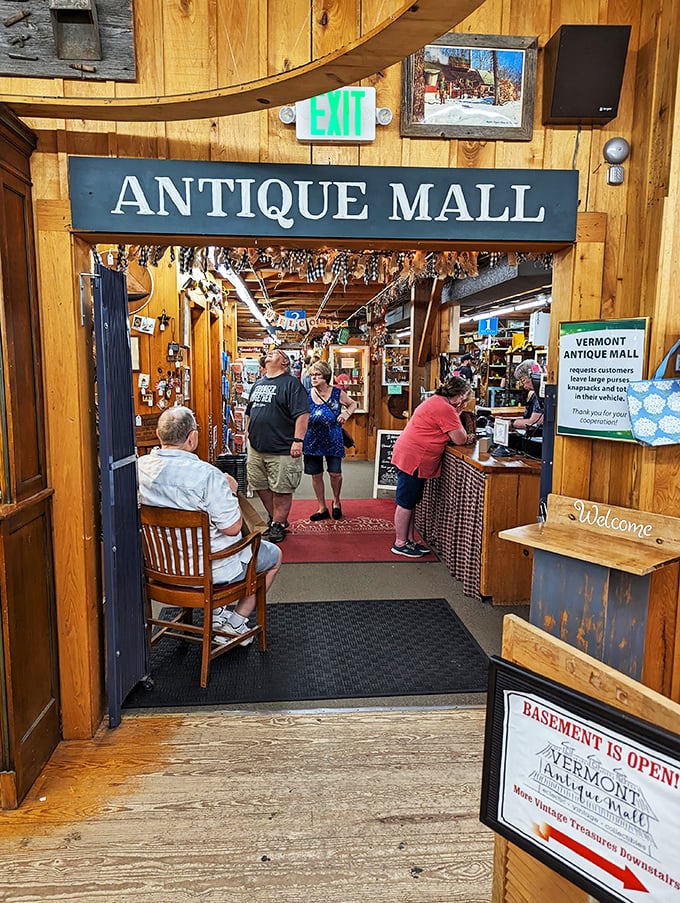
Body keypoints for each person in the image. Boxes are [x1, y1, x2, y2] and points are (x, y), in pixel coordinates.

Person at [137, 406, 282, 644]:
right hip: (208, 572)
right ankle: (235, 623)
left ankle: (217, 615)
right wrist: (233, 492)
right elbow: (232, 528)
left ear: (158, 434)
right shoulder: (208, 475)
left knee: (204, 545)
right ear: (192, 438)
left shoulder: (139, 467)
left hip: (160, 567)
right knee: (273, 555)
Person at [390, 376, 474, 558]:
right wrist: (467, 435)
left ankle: (408, 540)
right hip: (415, 457)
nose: (466, 403)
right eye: (466, 399)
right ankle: (400, 542)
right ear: (460, 396)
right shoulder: (445, 408)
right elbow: (459, 438)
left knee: (410, 501)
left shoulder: (436, 401)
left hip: (410, 454)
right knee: (405, 502)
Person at [245, 347, 310, 543]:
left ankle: (279, 524)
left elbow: (302, 414)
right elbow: (250, 411)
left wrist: (298, 441)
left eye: (275, 353)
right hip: (256, 447)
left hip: (283, 447)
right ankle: (276, 518)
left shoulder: (291, 384)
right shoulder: (258, 383)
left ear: (284, 363)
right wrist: (248, 431)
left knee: (282, 488)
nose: (270, 354)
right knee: (259, 485)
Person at [303, 360, 358, 521]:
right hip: (312, 439)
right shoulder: (306, 394)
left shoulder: (336, 392)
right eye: (312, 375)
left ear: (326, 376)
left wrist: (346, 414)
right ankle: (321, 507)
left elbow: (353, 403)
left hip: (333, 437)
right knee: (316, 475)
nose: (314, 378)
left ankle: (336, 501)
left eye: (317, 375)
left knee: (335, 473)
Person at [510, 360, 544, 433]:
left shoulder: (541, 395)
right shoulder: (534, 394)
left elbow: (534, 423)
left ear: (532, 377)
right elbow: (527, 417)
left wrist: (511, 424)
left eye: (523, 380)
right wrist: (505, 419)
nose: (522, 385)